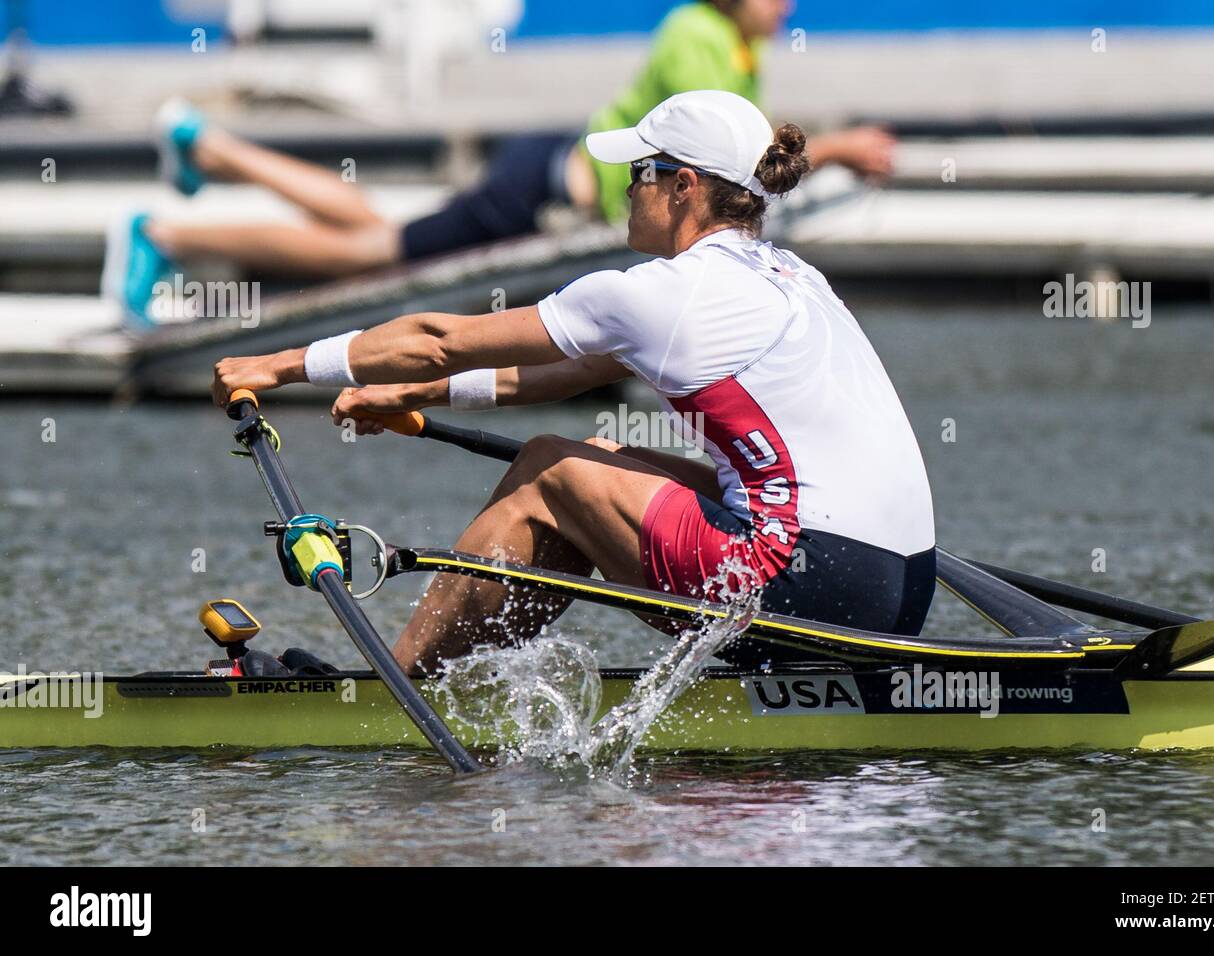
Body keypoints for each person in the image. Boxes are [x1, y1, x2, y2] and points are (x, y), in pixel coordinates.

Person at [211, 90, 935, 675]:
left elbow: (440, 340)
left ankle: (396, 689)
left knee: (552, 472)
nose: (626, 190)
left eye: (639, 173)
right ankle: (457, 677)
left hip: (800, 581)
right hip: (898, 590)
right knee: (596, 459)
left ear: (683, 187)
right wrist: (423, 395)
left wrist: (276, 367)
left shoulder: (661, 293)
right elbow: (580, 367)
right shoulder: (790, 274)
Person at [107, 0, 894, 326]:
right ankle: (166, 231)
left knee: (382, 230)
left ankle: (206, 149)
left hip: (544, 174)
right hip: (543, 191)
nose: (788, 5)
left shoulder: (731, 42)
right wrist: (845, 147)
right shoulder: (698, 34)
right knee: (374, 255)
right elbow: (733, 164)